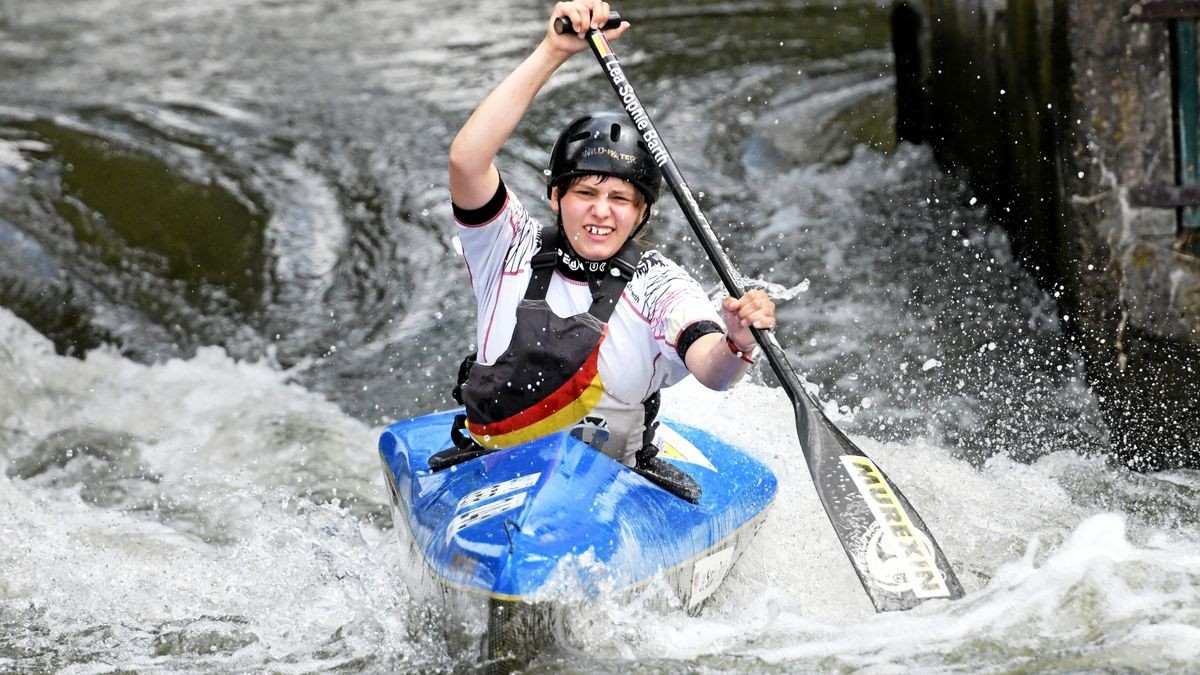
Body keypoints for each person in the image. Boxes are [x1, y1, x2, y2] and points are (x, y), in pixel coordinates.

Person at [447, 0, 775, 469]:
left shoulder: (658, 284)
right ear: (556, 197)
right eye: (585, 192)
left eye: (621, 199)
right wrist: (552, 51)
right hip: (489, 473)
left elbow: (712, 371)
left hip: (612, 491)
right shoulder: (506, 246)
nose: (602, 212)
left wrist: (737, 341)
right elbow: (466, 160)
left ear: (641, 213)